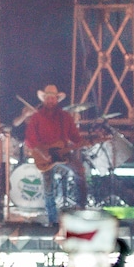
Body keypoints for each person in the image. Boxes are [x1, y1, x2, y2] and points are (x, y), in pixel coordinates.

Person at [23, 84, 86, 226]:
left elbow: (75, 137)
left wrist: (86, 141)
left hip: (63, 153)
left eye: (53, 98)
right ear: (44, 99)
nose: (51, 101)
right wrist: (42, 153)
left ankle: (81, 209)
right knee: (48, 189)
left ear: (57, 100)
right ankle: (53, 220)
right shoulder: (37, 117)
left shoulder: (65, 117)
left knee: (80, 171)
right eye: (48, 98)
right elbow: (30, 140)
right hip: (45, 156)